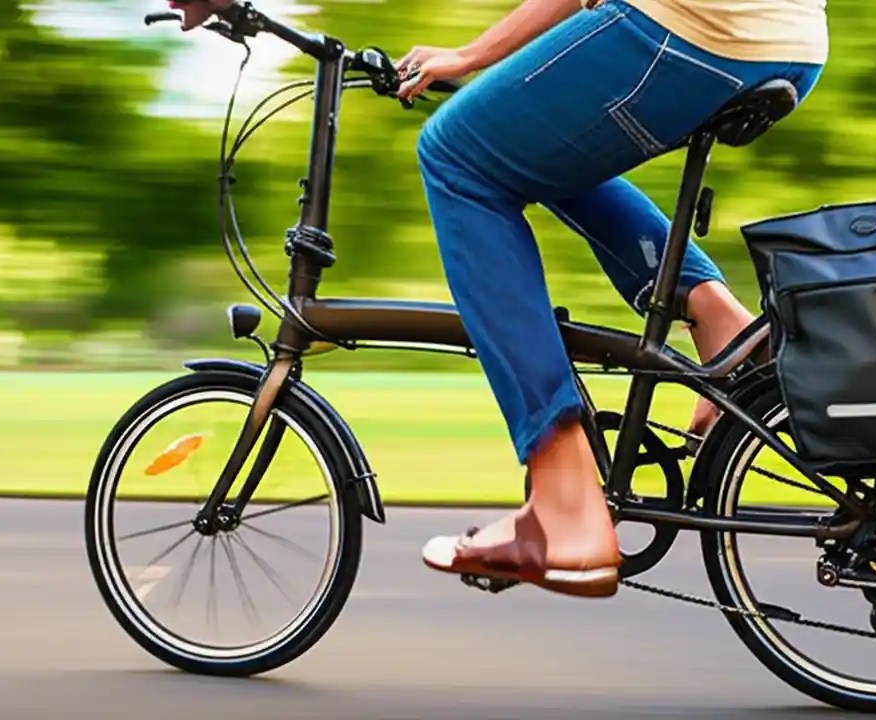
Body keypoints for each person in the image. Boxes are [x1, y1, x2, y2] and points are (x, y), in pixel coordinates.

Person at [172, 0, 827, 599]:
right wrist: (475, 58)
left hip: (695, 28)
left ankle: (565, 505)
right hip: (786, 40)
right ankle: (717, 316)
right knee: (524, 145)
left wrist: (470, 54)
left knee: (455, 156)